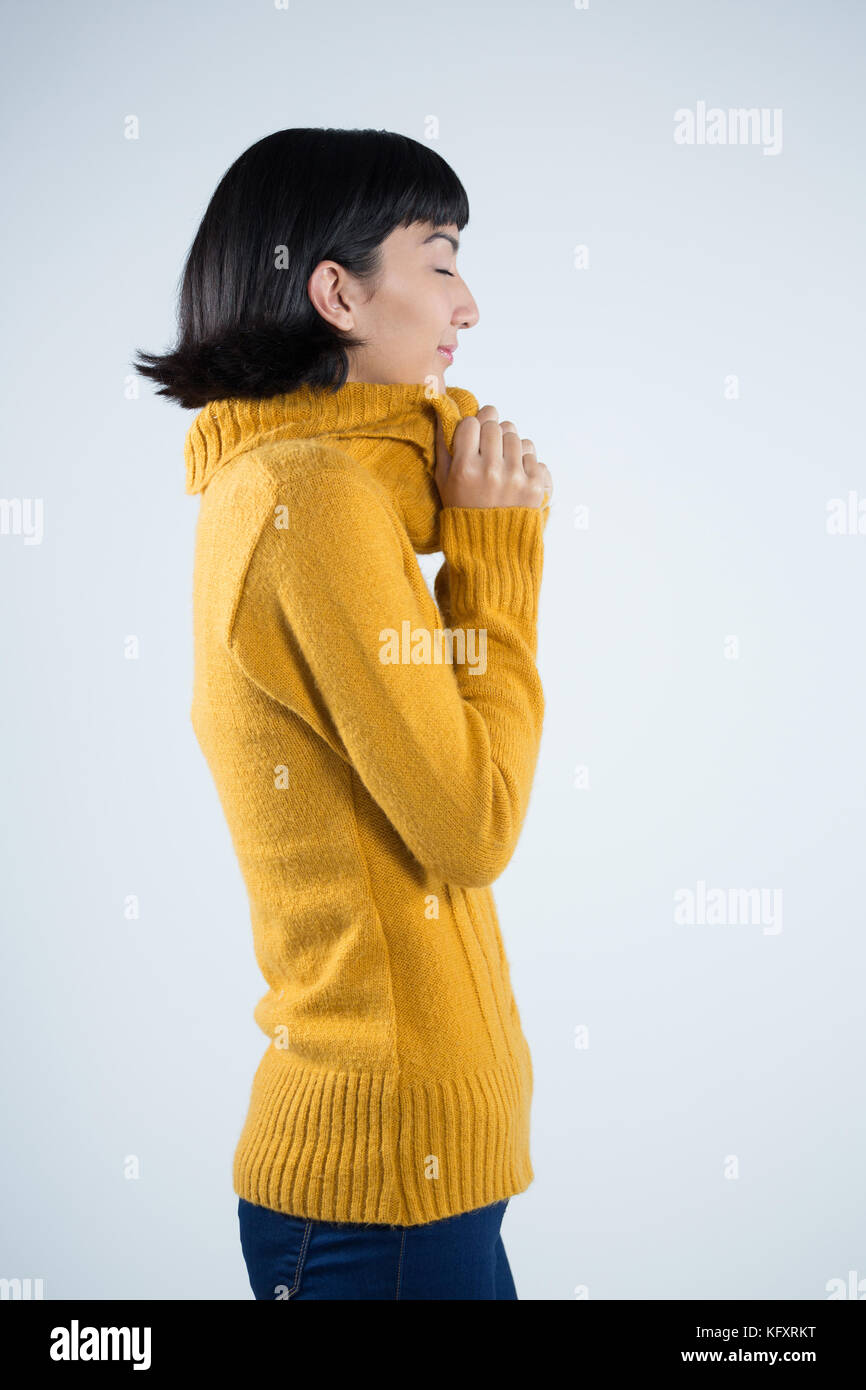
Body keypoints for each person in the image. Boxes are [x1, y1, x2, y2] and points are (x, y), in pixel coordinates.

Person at [133, 127, 553, 1300]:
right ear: (335, 291)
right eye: (439, 257)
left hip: (404, 1193)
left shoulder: (309, 489)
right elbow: (471, 824)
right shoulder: (304, 498)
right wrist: (494, 560)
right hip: (382, 1201)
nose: (466, 301)